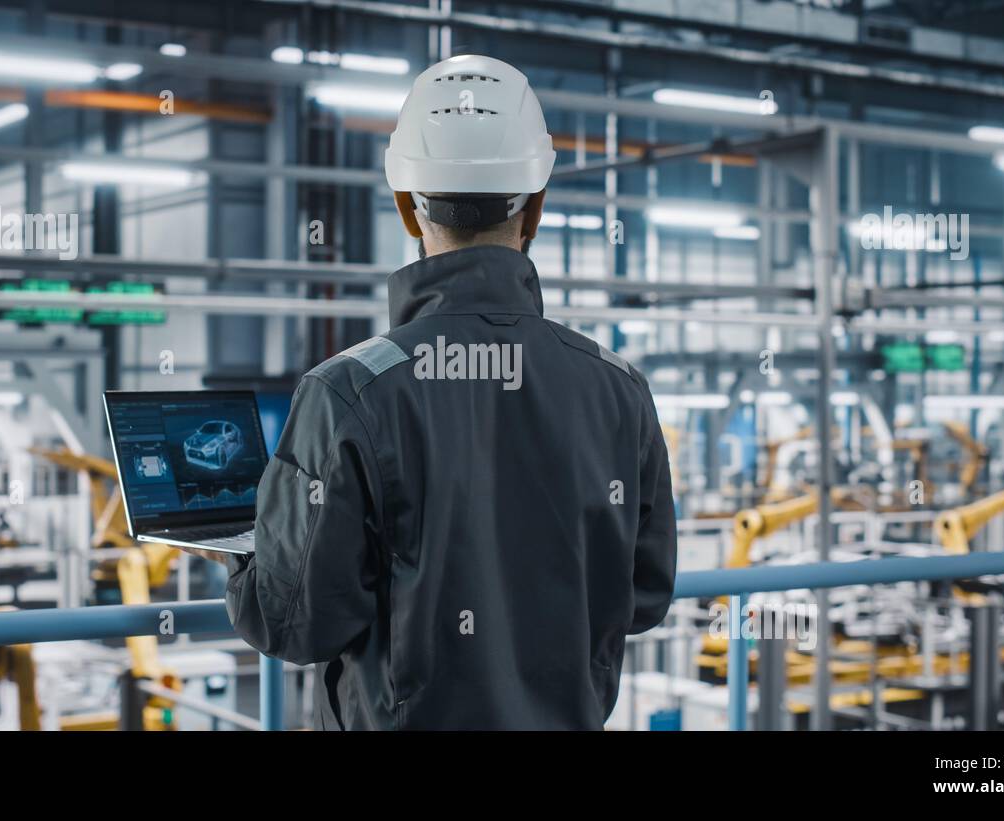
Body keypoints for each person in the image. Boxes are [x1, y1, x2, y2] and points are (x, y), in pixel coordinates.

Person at [188, 54, 677, 730]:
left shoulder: (347, 392)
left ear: (406, 209)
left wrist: (245, 554)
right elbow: (644, 596)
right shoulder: (618, 389)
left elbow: (296, 622)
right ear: (536, 205)